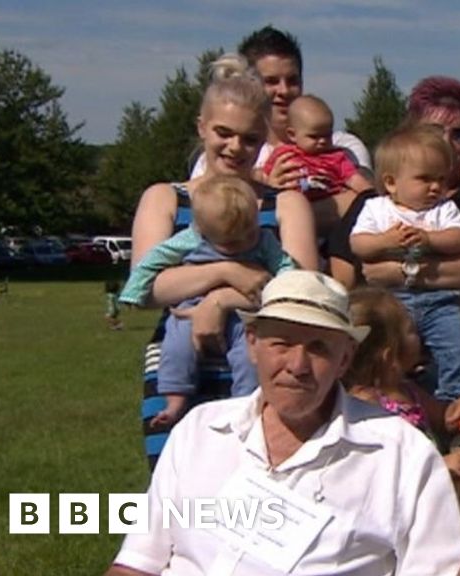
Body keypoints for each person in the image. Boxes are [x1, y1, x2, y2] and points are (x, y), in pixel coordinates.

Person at [106, 270, 460, 576]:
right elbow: (138, 562)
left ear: (345, 358)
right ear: (252, 344)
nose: (297, 366)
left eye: (318, 347)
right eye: (281, 343)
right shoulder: (201, 429)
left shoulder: (401, 453)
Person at [328, 75, 460, 540]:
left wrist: (395, 271)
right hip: (387, 371)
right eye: (434, 129)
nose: (446, 141)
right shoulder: (372, 204)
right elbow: (347, 275)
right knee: (391, 492)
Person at [133, 53, 318, 468]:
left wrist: (219, 301)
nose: (235, 147)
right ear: (202, 127)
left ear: (264, 139)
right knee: (174, 490)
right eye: (223, 133)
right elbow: (147, 287)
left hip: (261, 365)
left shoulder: (285, 204)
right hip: (176, 366)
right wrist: (229, 272)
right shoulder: (166, 197)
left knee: (254, 489)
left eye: (250, 139)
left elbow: (303, 293)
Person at [122, 175, 296, 426]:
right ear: (202, 230)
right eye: (230, 242)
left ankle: (246, 404)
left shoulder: (264, 239)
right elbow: (154, 260)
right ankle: (175, 398)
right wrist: (133, 290)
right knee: (177, 346)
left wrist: (286, 282)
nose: (242, 244)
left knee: (250, 356)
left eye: (248, 235)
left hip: (245, 312)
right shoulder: (191, 238)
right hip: (190, 307)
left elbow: (285, 265)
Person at [351, 125, 460, 402]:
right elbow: (359, 244)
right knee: (389, 351)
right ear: (391, 182)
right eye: (425, 179)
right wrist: (384, 241)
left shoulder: (443, 209)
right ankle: (388, 395)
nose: (436, 187)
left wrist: (430, 239)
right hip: (392, 301)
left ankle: (456, 397)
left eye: (441, 179)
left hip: (440, 300)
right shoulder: (377, 208)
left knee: (457, 347)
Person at [346, 286, 460, 520]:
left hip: (426, 503)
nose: (420, 336)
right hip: (393, 511)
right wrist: (439, 466)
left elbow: (444, 416)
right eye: (411, 331)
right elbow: (379, 468)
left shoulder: (408, 391)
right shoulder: (364, 405)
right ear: (389, 355)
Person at [190, 26, 372, 185]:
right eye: (271, 81)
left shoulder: (342, 146)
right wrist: (270, 194)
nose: (284, 91)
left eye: (292, 81)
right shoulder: (224, 155)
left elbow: (364, 203)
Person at [262, 95, 371, 233]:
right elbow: (263, 176)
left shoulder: (337, 157)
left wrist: (371, 195)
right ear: (292, 135)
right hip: (292, 211)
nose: (322, 141)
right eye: (314, 136)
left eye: (327, 135)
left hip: (333, 216)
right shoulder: (284, 154)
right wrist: (269, 185)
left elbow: (353, 179)